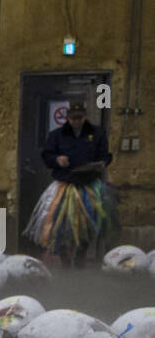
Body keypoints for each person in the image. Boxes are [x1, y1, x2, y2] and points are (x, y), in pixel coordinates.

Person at [24, 100, 118, 267]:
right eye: (73, 118)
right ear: (67, 117)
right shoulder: (56, 135)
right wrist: (57, 160)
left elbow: (105, 155)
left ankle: (81, 254)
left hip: (89, 185)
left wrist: (103, 163)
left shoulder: (97, 133)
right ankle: (65, 258)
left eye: (79, 118)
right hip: (65, 185)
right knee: (60, 223)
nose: (76, 121)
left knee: (89, 223)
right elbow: (47, 155)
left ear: (85, 116)